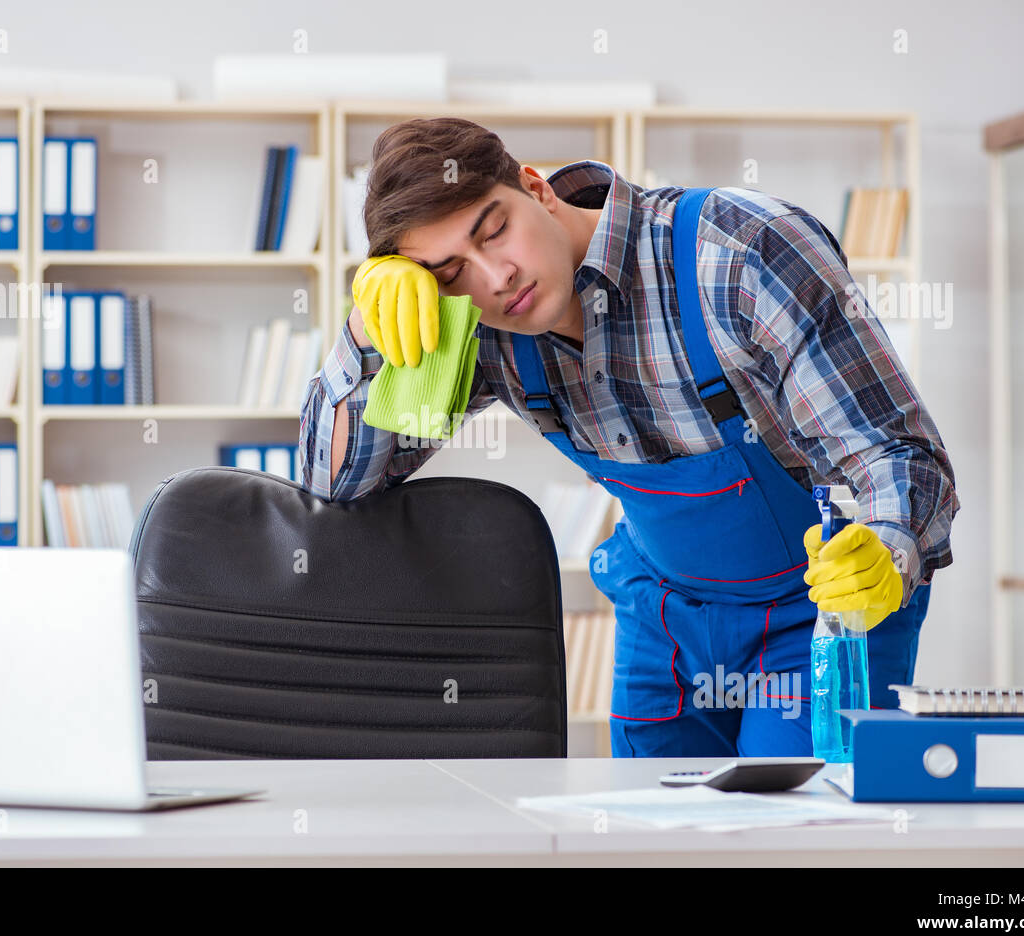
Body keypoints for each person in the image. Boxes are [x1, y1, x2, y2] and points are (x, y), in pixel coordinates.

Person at [298, 116, 959, 757]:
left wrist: (887, 547)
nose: (495, 277)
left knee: (788, 828)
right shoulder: (479, 330)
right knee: (653, 835)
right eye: (448, 273)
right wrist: (364, 337)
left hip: (818, 609)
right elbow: (336, 485)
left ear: (535, 186)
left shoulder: (740, 253)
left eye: (494, 230)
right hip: (664, 612)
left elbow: (895, 452)